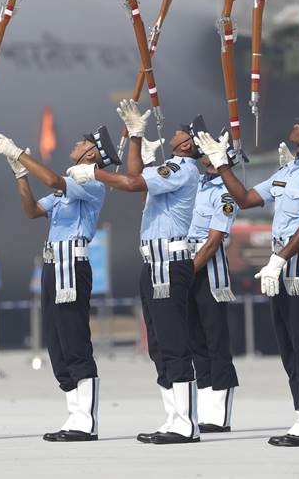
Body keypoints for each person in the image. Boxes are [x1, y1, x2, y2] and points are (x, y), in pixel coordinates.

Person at [195, 103, 299, 447]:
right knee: (288, 344)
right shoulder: (288, 172)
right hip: (284, 261)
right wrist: (223, 165)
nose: (294, 125)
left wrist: (279, 259)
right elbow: (245, 199)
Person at [69, 100, 201, 445]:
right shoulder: (172, 165)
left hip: (170, 263)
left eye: (180, 132)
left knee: (173, 342)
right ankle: (173, 417)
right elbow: (135, 176)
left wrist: (94, 172)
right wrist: (136, 138)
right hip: (154, 262)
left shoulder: (183, 168)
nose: (174, 132)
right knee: (158, 345)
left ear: (187, 144)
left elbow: (130, 184)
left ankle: (186, 422)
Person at [0, 126, 121, 442]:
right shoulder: (69, 186)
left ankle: (86, 421)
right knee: (56, 342)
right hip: (52, 264)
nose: (76, 143)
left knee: (74, 338)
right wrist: (20, 173)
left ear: (92, 154)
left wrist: (18, 152)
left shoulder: (92, 184)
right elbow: (33, 210)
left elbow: (50, 180)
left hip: (72, 264)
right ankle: (75, 415)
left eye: (83, 141)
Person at [184, 117, 240, 433]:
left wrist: (189, 272)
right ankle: (204, 407)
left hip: (208, 271)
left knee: (215, 340)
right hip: (187, 266)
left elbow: (215, 238)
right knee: (195, 341)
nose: (200, 151)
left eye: (207, 148)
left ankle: (219, 412)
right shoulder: (195, 183)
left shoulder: (224, 191)